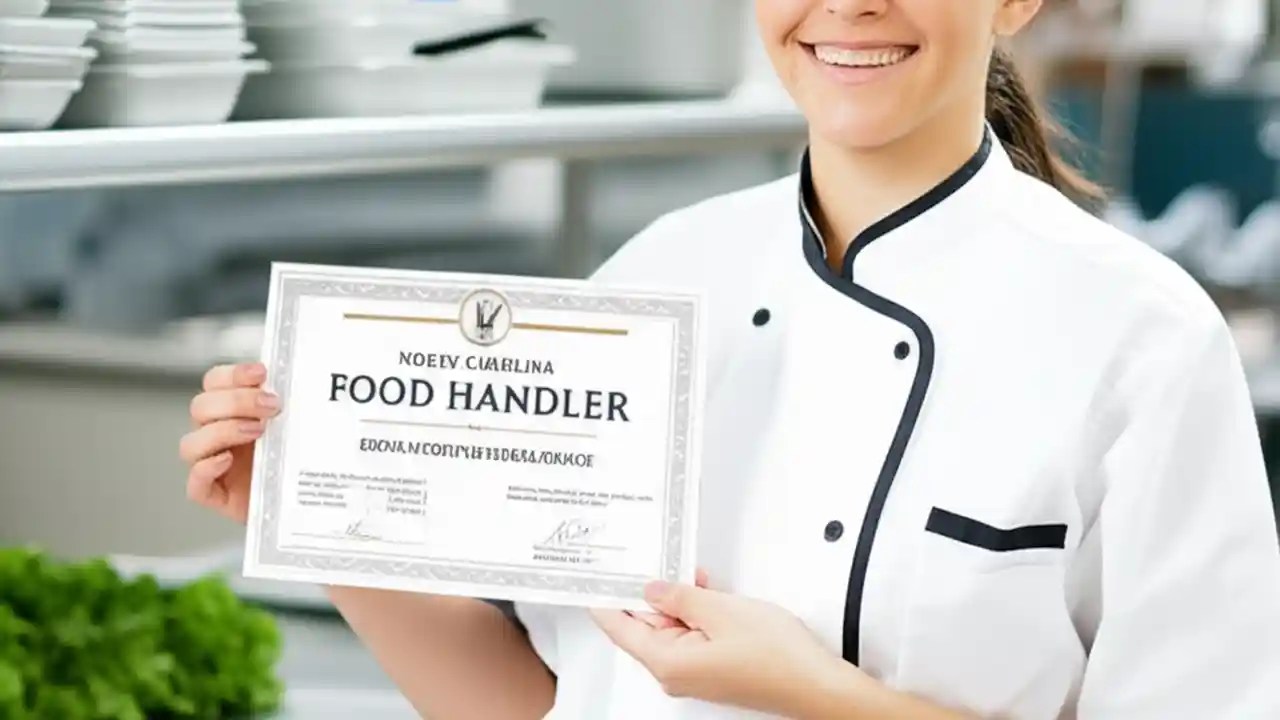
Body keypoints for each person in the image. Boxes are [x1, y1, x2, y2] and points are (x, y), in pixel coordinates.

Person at [179, 0, 1280, 717]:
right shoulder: (656, 276)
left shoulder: (1140, 340)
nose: (848, 8)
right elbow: (537, 703)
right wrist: (326, 515)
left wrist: (814, 694)